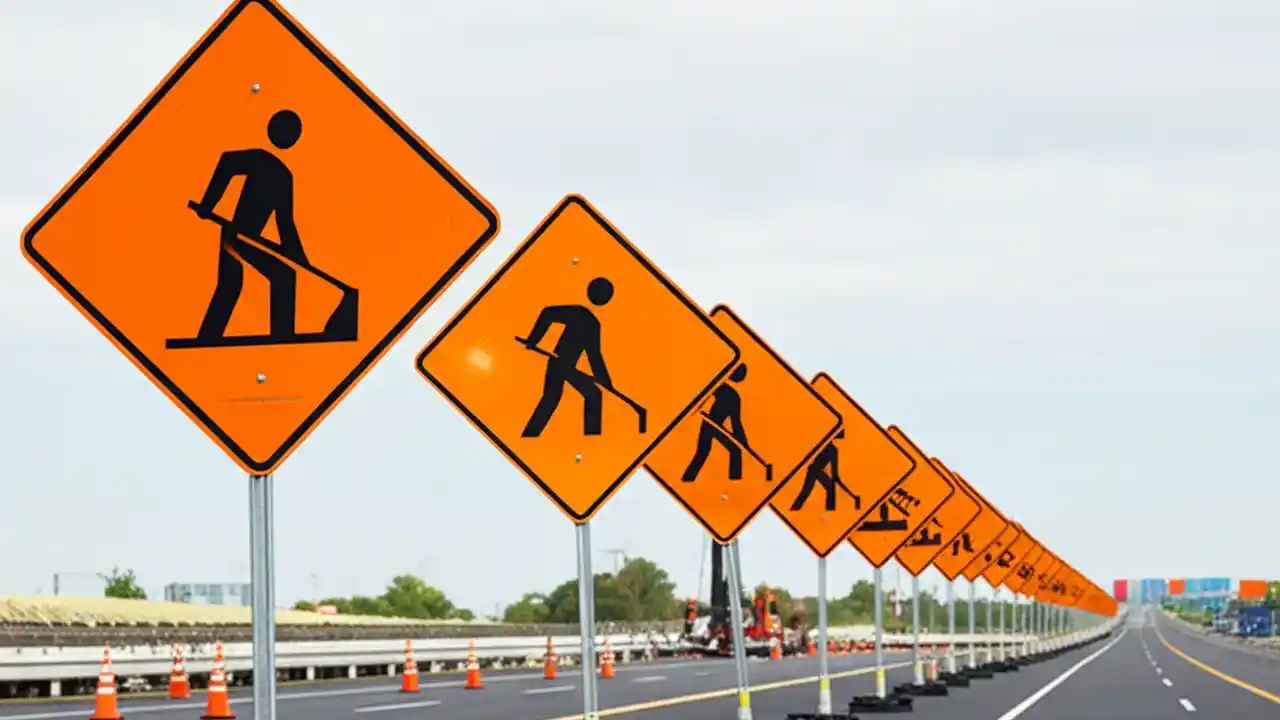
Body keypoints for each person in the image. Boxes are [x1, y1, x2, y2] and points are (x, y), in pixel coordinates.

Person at [190, 109, 308, 344]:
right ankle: (208, 340)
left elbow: (285, 223)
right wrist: (208, 203)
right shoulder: (260, 159)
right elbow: (226, 161)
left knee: (279, 276)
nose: (287, 135)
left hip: (251, 239)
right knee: (233, 284)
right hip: (235, 235)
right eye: (283, 129)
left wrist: (300, 259)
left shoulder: (285, 176)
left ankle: (281, 339)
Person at [521, 277, 615, 437]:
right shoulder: (582, 315)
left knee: (590, 395)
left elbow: (594, 356)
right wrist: (534, 339)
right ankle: (530, 435)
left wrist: (606, 382)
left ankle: (591, 438)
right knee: (554, 397)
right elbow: (547, 313)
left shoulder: (591, 323)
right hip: (558, 362)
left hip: (568, 367)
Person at [682, 364, 751, 481]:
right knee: (706, 451)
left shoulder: (732, 395)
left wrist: (743, 441)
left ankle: (688, 478)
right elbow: (702, 393)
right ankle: (688, 479)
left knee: (709, 451)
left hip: (713, 426)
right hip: (709, 423)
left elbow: (736, 423)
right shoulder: (724, 389)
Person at [789, 431, 847, 511]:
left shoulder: (830, 448)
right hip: (814, 469)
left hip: (815, 470)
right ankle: (794, 509)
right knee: (807, 491)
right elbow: (835, 474)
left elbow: (834, 473)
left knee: (810, 490)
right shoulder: (829, 448)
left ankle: (829, 511)